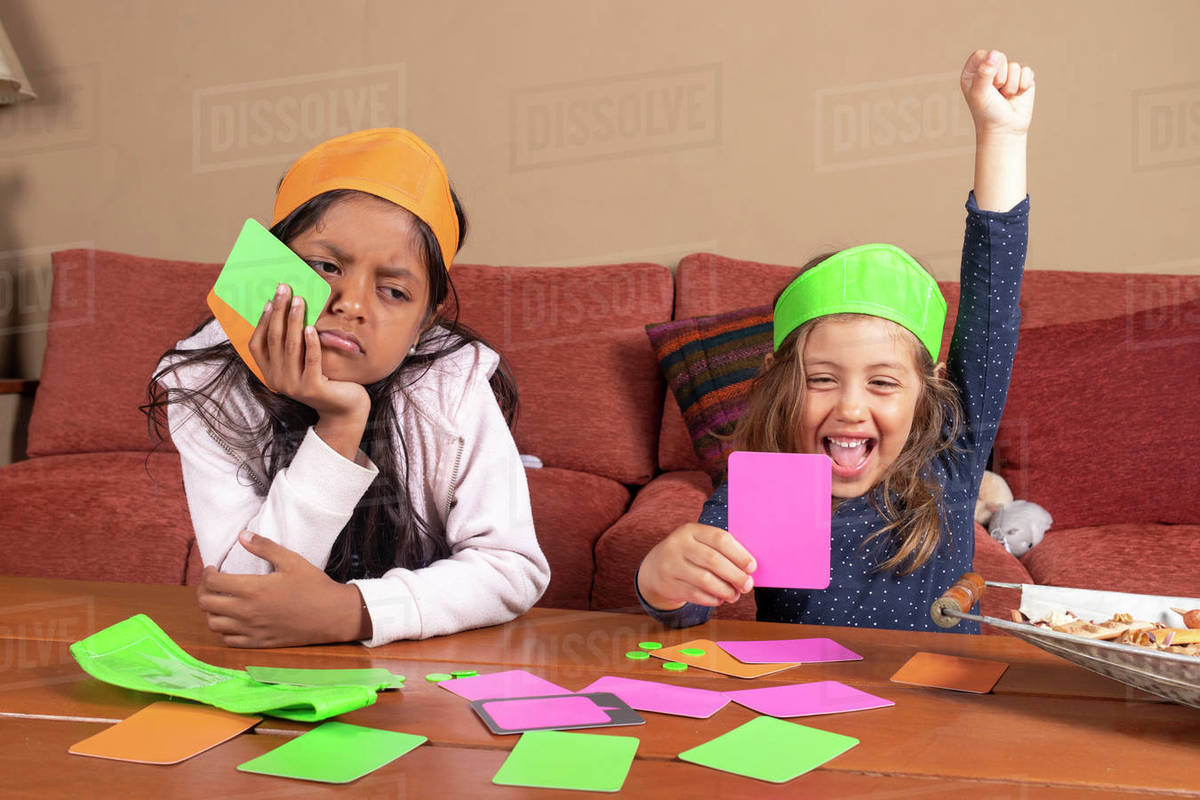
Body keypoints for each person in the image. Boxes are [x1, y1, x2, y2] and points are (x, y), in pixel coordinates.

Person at [636, 50, 1035, 634]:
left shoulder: (950, 461)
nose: (850, 406)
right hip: (812, 706)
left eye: (881, 382)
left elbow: (993, 299)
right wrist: (659, 578)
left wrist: (1000, 134)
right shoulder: (768, 483)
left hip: (943, 714)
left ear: (929, 394)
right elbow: (688, 607)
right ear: (781, 382)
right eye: (821, 378)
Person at [145, 129, 549, 647]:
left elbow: (512, 567)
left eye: (394, 291)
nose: (352, 303)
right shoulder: (205, 382)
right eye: (326, 266)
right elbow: (246, 594)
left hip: (420, 668)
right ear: (270, 263)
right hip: (275, 671)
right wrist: (338, 426)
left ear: (425, 322)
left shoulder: (452, 381)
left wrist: (354, 612)